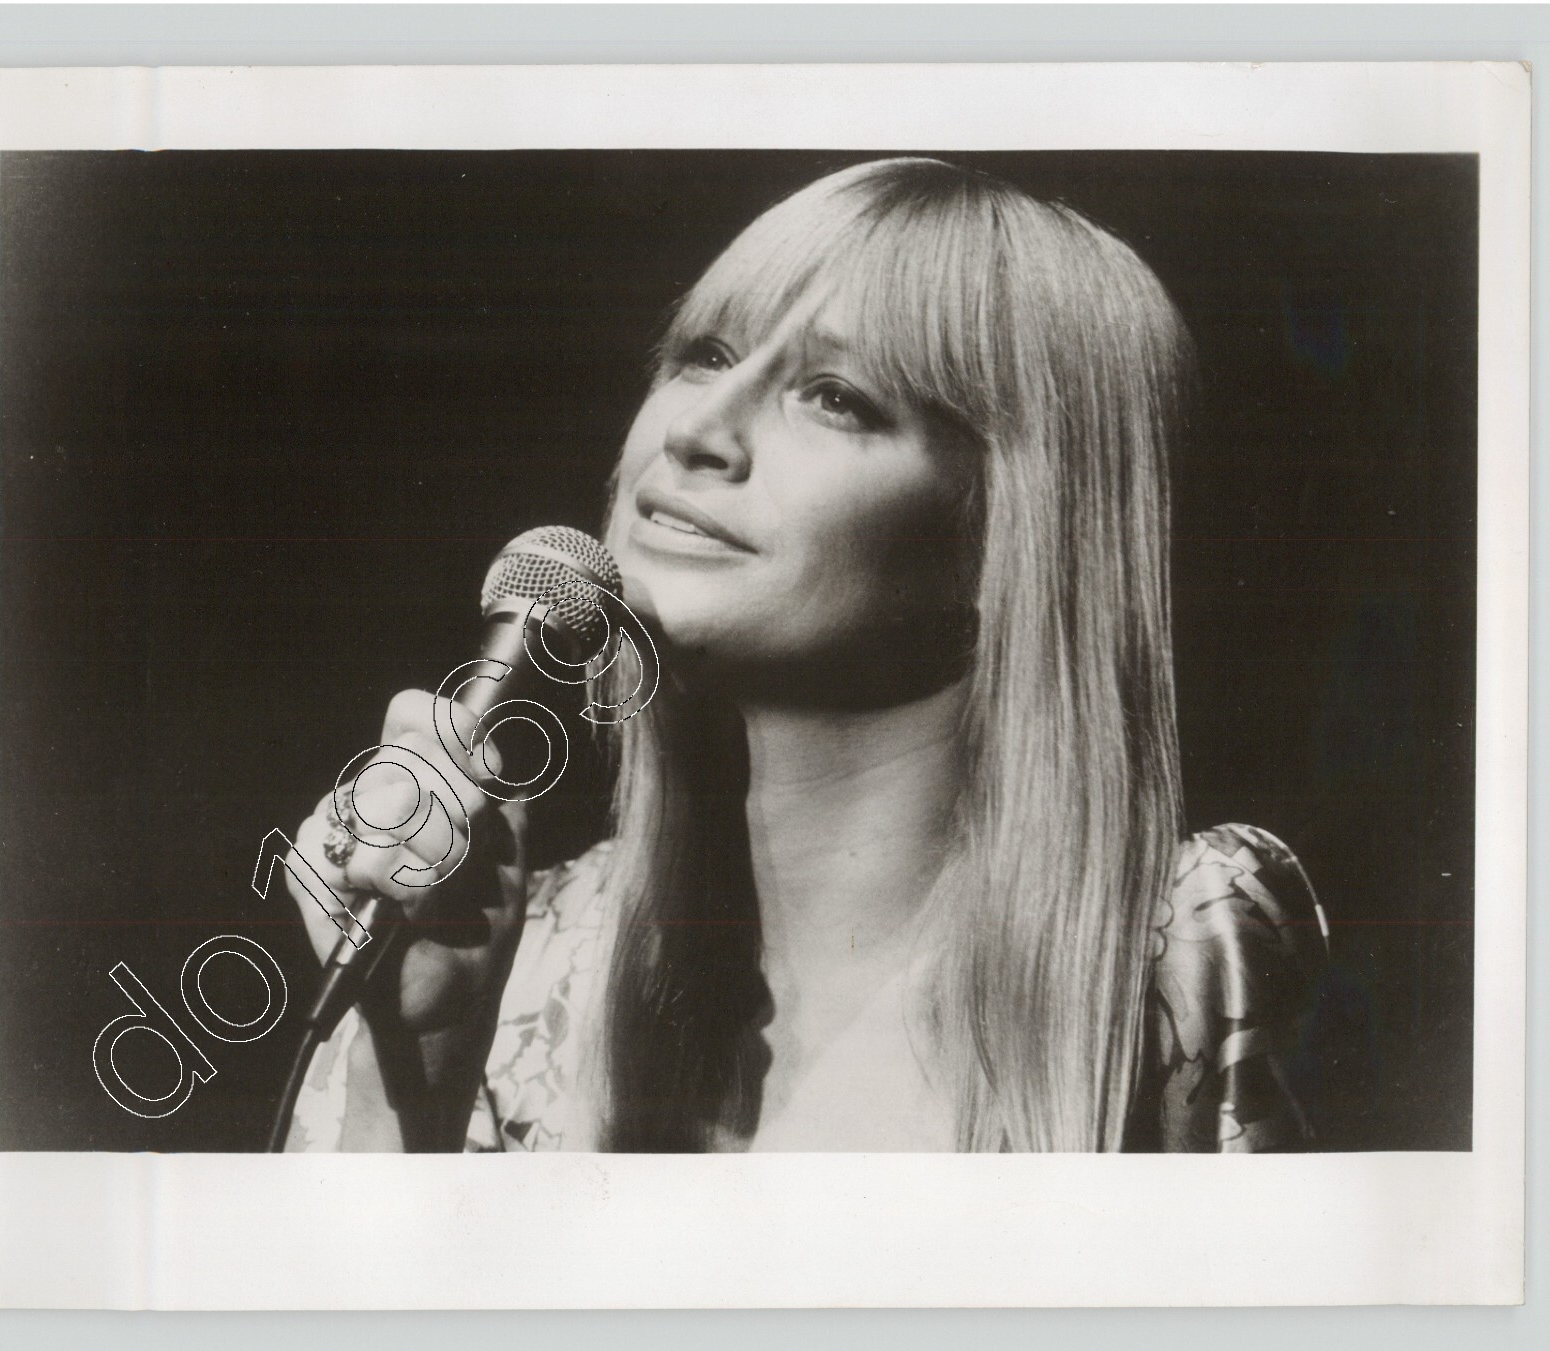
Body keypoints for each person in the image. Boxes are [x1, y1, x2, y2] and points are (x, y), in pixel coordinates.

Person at [283, 157, 1330, 1154]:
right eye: (707, 354)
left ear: (1012, 537)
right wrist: (407, 1070)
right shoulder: (515, 961)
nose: (699, 428)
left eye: (836, 395)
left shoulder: (1172, 951)